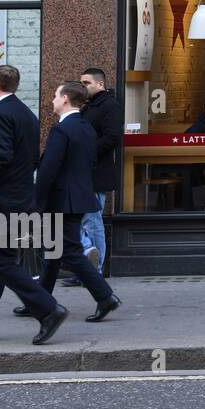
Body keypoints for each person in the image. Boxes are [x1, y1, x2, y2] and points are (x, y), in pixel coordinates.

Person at [0, 65, 68, 345]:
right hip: (18, 199)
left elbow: (1, 158)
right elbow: (31, 159)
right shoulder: (25, 114)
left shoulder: (0, 115)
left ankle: (48, 309)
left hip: (1, 203)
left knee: (3, 263)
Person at [13, 82, 121, 324]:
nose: (51, 100)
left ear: (64, 99)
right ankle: (41, 301)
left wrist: (36, 203)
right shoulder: (86, 127)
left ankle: (105, 296)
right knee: (55, 252)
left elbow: (48, 170)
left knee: (69, 252)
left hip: (62, 199)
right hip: (79, 196)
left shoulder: (62, 130)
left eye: (54, 95)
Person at [76, 67, 122, 276]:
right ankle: (87, 268)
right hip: (85, 172)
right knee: (85, 221)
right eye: (81, 83)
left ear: (100, 84)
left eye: (86, 83)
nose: (83, 87)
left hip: (97, 173)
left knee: (92, 222)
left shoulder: (109, 106)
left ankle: (95, 270)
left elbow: (112, 138)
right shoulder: (89, 106)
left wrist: (87, 152)